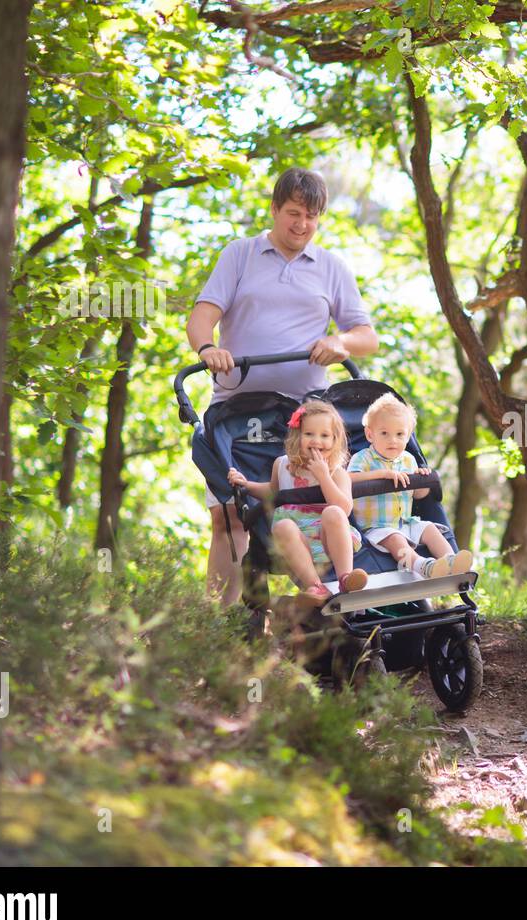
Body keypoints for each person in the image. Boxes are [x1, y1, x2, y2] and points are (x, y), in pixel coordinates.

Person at [187, 168, 378, 605]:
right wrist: (206, 348)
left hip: (305, 418)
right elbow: (202, 317)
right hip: (238, 414)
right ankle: (219, 623)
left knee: (314, 504)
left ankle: (324, 601)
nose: (302, 225)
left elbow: (366, 336)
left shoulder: (331, 267)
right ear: (274, 210)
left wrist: (339, 341)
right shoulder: (240, 254)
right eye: (293, 213)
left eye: (312, 216)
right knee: (231, 516)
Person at [228, 400, 366, 605]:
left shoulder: (337, 472)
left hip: (330, 539)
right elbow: (273, 491)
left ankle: (345, 578)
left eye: (325, 435)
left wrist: (323, 477)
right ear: (297, 436)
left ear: (335, 439)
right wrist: (246, 485)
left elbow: (344, 508)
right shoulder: (282, 465)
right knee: (282, 525)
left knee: (334, 513)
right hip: (297, 543)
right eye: (309, 434)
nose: (316, 441)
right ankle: (315, 586)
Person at [348, 393, 473, 579]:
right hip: (375, 528)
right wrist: (382, 475)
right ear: (369, 434)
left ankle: (451, 562)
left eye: (400, 434)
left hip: (404, 522)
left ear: (408, 437)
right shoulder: (363, 458)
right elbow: (348, 479)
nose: (393, 440)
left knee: (429, 528)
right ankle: (424, 566)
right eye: (385, 433)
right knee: (396, 540)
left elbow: (418, 496)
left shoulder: (408, 459)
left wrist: (420, 480)